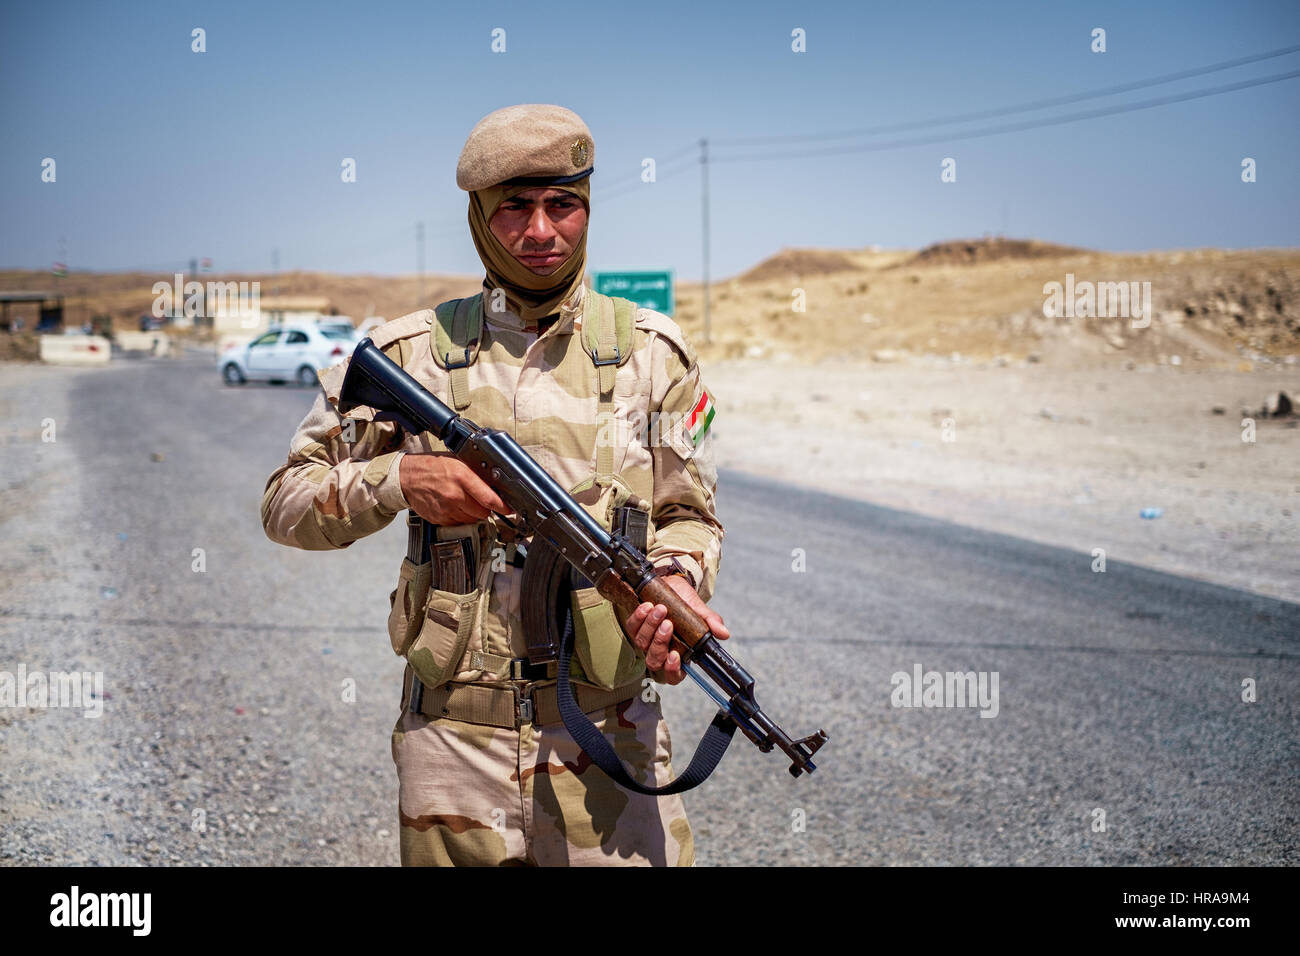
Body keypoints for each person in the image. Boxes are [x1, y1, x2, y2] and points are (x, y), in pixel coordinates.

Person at [261, 104, 726, 866]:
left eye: (562, 205)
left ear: (586, 208)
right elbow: (286, 501)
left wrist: (677, 577)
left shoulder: (654, 355)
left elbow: (691, 515)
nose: (541, 231)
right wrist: (401, 479)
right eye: (515, 206)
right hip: (452, 749)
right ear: (479, 216)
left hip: (612, 738)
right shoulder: (404, 355)